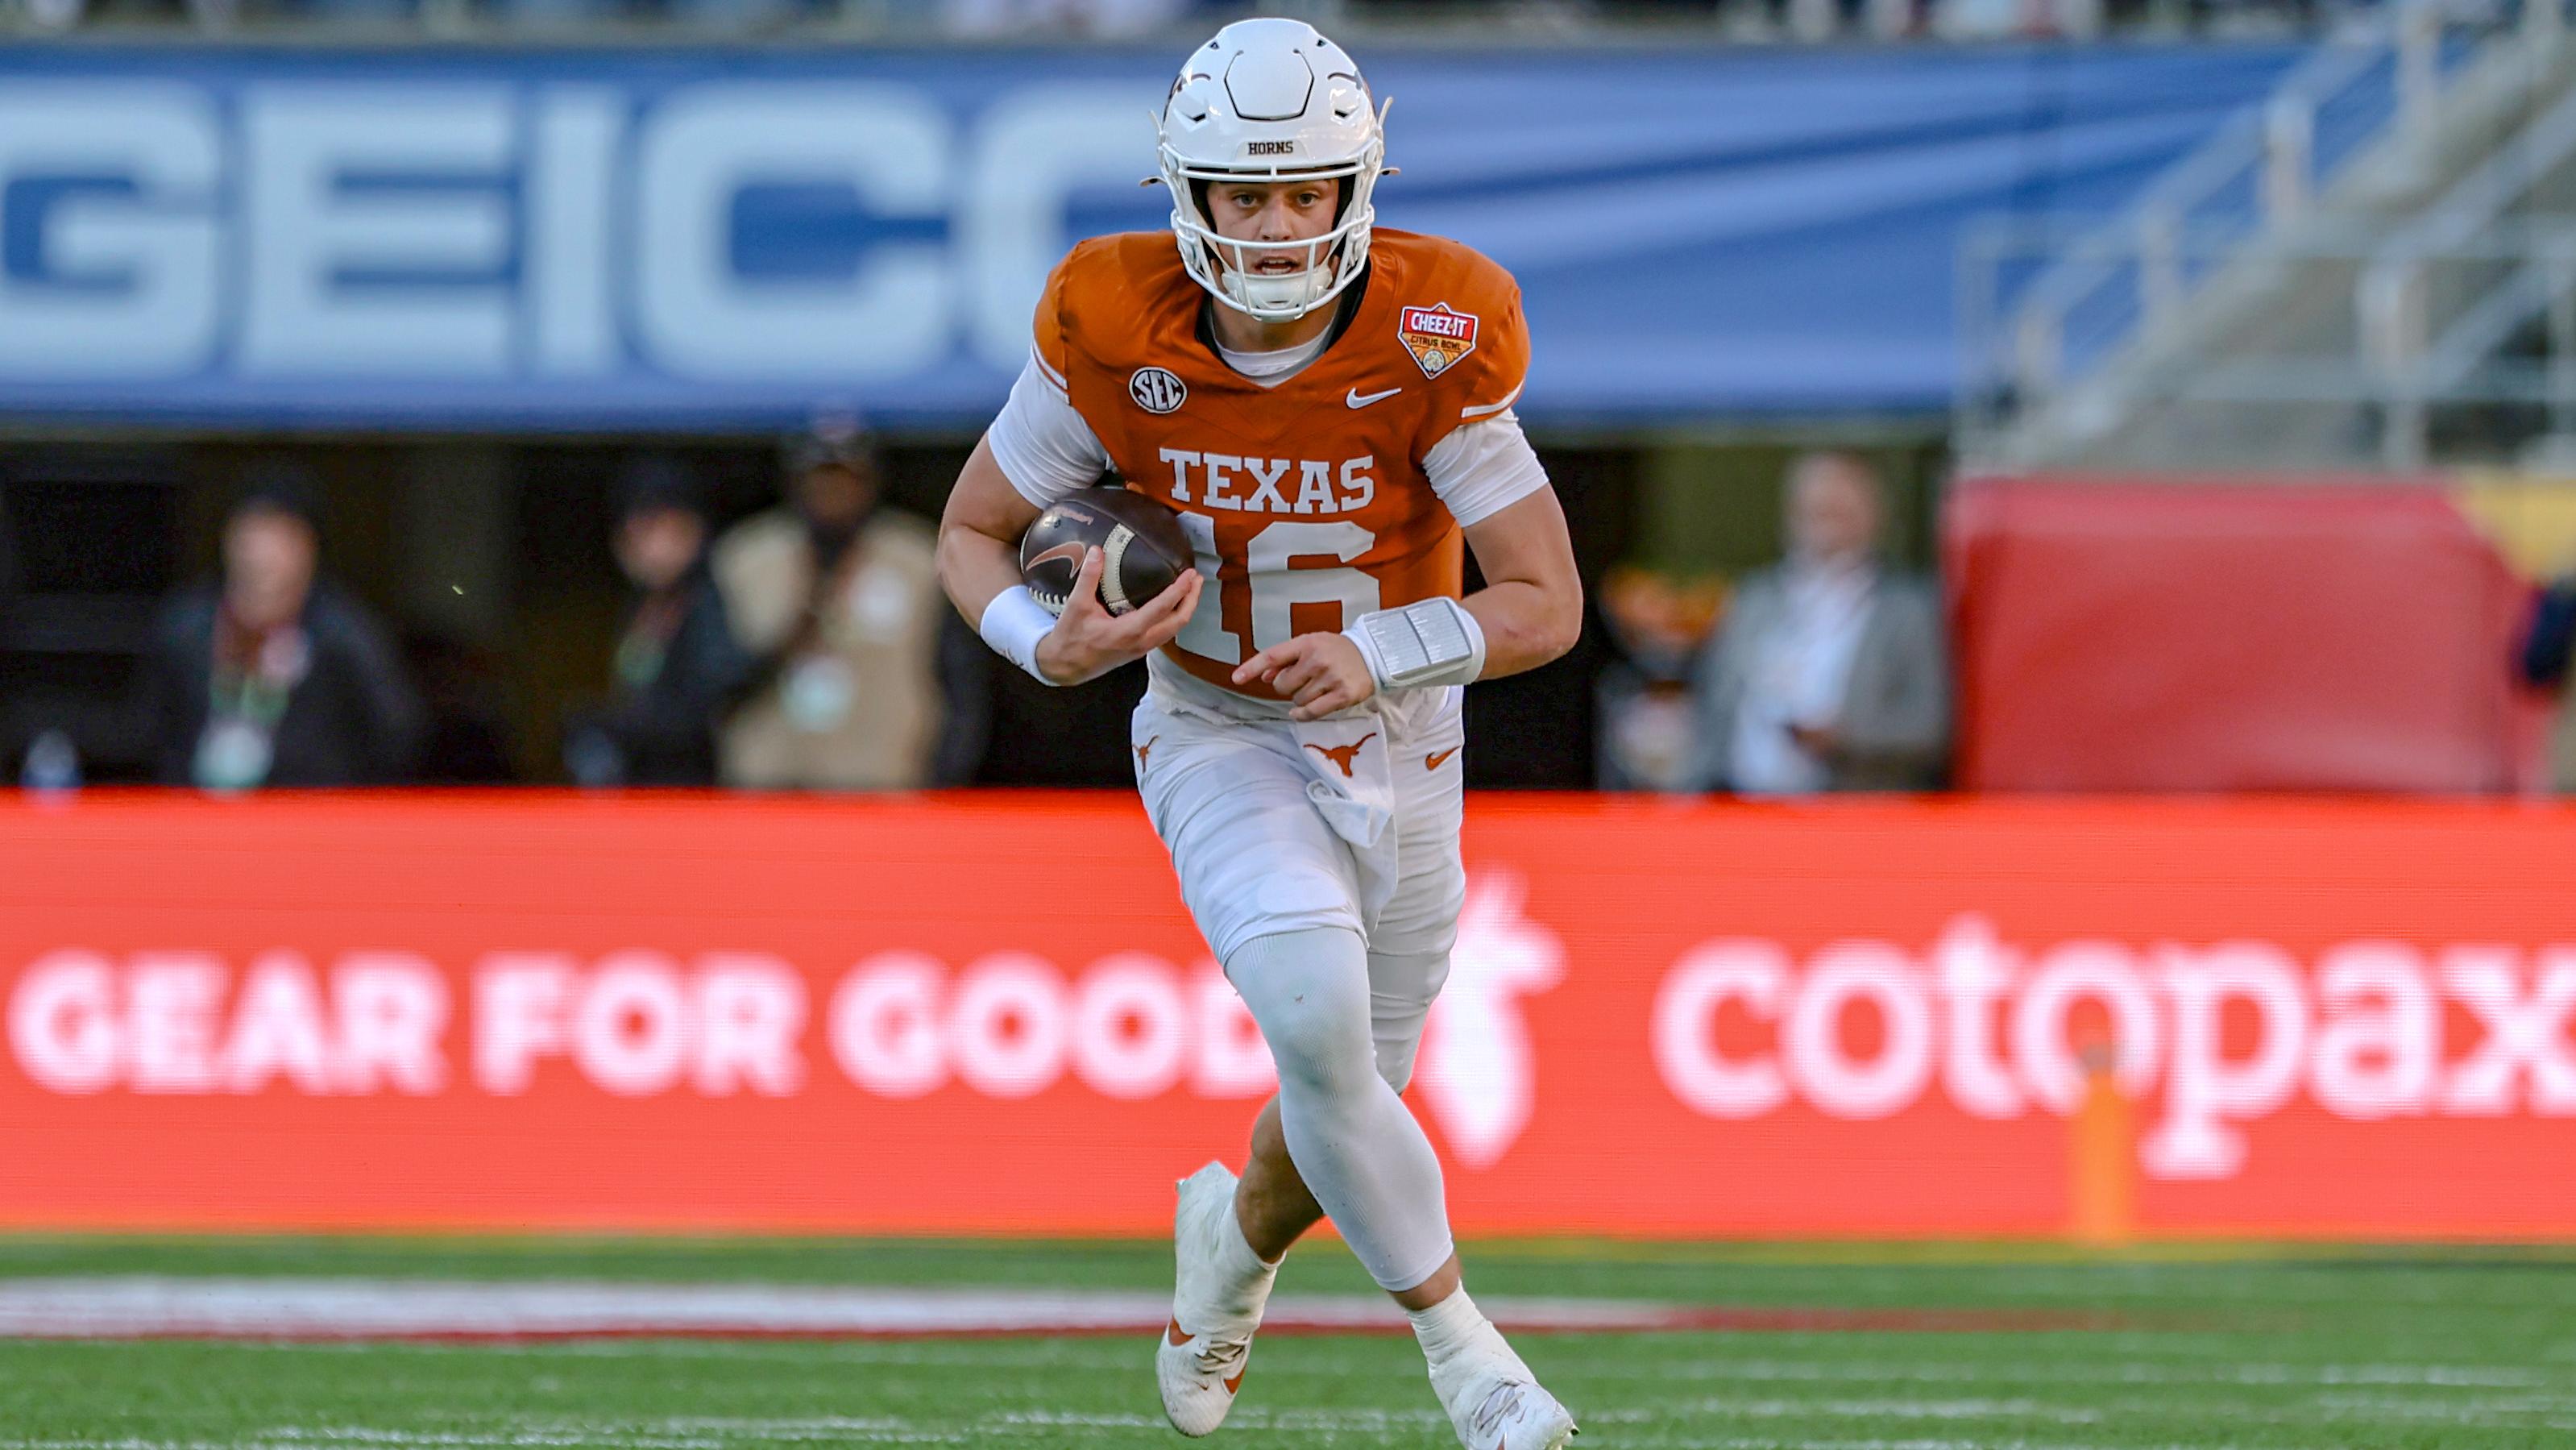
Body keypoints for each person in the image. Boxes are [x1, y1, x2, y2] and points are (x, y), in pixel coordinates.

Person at [935, 19, 1584, 1450]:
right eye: (1247, 192)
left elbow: (1545, 601)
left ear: (1357, 187)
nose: (1280, 225)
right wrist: (1042, 642)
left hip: (1402, 736)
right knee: (1314, 1020)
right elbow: (973, 532)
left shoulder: (1432, 324)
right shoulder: (1115, 319)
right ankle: (1471, 1361)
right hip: (1217, 724)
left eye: (1306, 191)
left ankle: (1228, 1253)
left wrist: (1378, 648)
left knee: (1341, 1092)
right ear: (1191, 193)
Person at [134, 468, 424, 790]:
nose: (261, 557)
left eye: (279, 540)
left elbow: (395, 732)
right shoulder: (186, 627)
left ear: (308, 548)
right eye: (249, 539)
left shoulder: (344, 634)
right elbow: (149, 730)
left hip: (310, 809)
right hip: (198, 807)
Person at [1689, 451, 1949, 794]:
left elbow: (1929, 727)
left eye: (1838, 510)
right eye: (1814, 508)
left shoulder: (1906, 610)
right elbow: (1712, 705)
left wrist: (1844, 737)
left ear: (1873, 514)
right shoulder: (1755, 598)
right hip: (1742, 804)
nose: (1824, 522)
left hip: (1850, 808)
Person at [713, 423, 954, 790]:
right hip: (769, 786)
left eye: (846, 477)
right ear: (793, 482)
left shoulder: (918, 558)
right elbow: (710, 683)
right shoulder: (746, 557)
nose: (832, 491)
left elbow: (958, 684)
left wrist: (944, 780)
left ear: (871, 482)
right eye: (819, 477)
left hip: (884, 786)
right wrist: (790, 635)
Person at [562, 457, 750, 788]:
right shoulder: (643, 605)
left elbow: (712, 699)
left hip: (694, 790)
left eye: (655, 527)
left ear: (692, 530)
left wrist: (625, 728)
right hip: (643, 788)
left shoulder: (709, 601)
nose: (641, 545)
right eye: (630, 532)